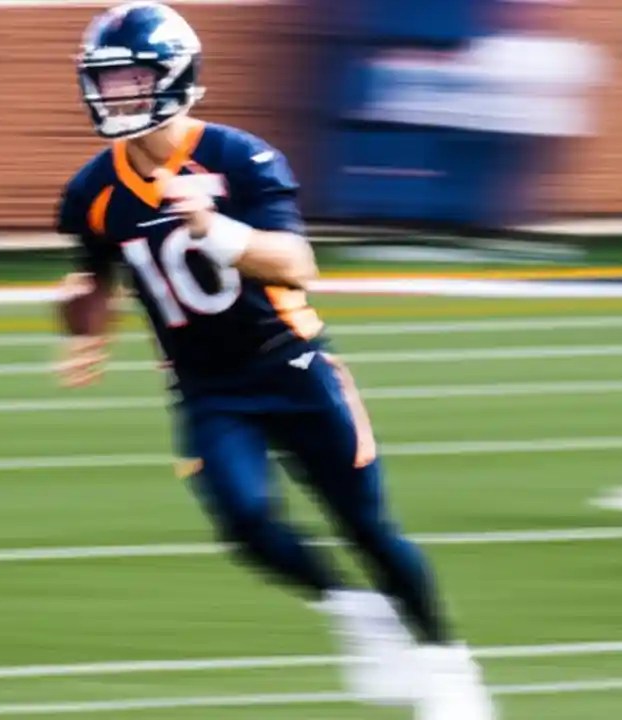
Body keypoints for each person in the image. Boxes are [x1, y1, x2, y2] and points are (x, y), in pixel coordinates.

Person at [53, 3, 495, 718]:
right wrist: (79, 328)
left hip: (291, 366)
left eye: (130, 78)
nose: (115, 95)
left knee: (369, 527)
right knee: (245, 521)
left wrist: (215, 229)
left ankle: (449, 665)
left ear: (172, 76)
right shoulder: (91, 191)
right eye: (105, 82)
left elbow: (297, 262)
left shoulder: (238, 158)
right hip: (207, 389)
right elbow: (95, 276)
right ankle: (352, 607)